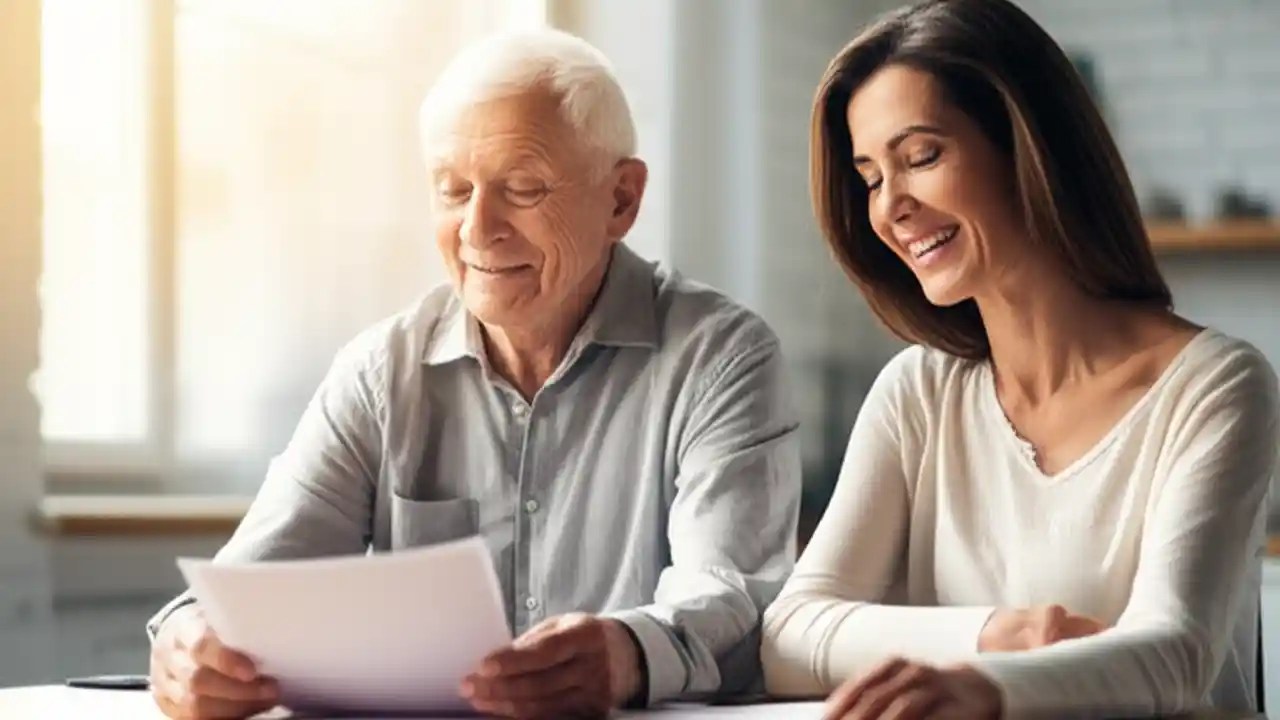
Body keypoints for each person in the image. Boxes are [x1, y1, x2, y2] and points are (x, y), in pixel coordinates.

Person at [147, 28, 802, 720]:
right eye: (453, 190)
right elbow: (247, 588)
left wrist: (625, 655)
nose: (477, 228)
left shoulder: (722, 358)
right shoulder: (380, 373)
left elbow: (734, 602)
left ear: (621, 201)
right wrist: (191, 642)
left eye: (522, 188)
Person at [760, 1, 1279, 718]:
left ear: (1031, 150)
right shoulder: (918, 394)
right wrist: (996, 635)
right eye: (873, 177)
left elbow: (1175, 653)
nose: (890, 209)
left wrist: (985, 689)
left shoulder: (1217, 386)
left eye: (921, 158)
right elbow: (787, 634)